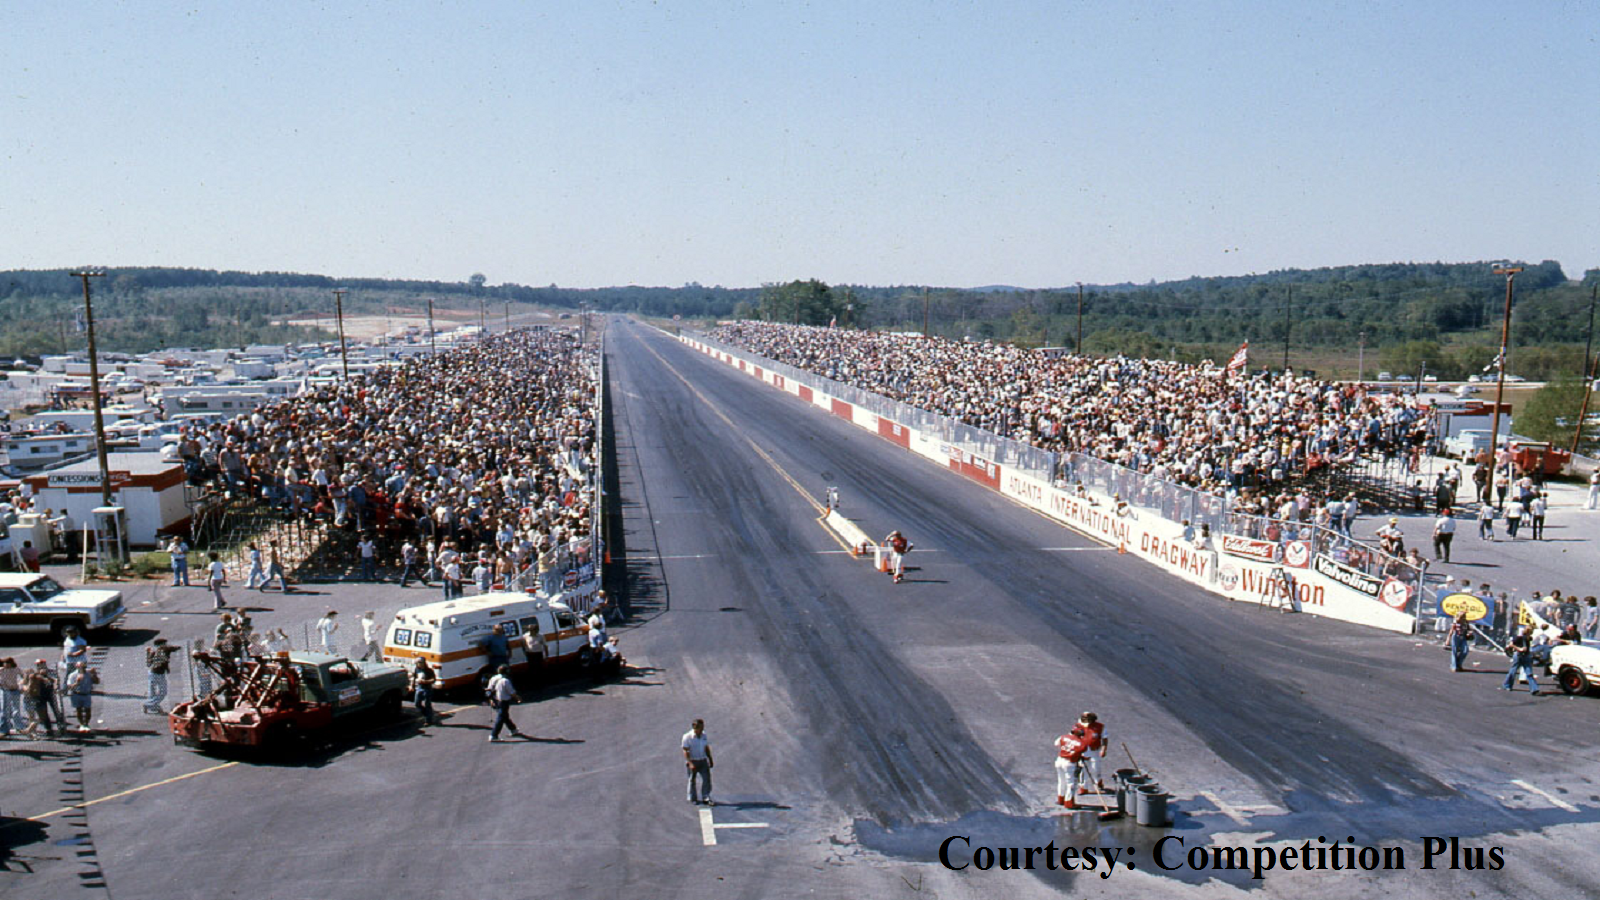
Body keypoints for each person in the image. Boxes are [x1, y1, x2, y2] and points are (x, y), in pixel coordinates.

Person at [1053, 723, 1089, 809]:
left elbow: (1056, 744)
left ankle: (1061, 799)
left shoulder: (1063, 737)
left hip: (1059, 760)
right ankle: (1069, 802)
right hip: (1070, 763)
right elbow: (1085, 755)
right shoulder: (1082, 744)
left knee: (1061, 781)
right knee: (1071, 783)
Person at [485, 665, 523, 741]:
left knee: (504, 716)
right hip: (504, 701)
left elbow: (489, 690)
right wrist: (518, 698)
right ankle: (494, 735)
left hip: (495, 700)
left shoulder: (493, 678)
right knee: (501, 717)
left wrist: (491, 700)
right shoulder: (505, 681)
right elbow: (511, 692)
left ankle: (513, 729)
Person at [23, 660, 60, 737]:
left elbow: (54, 680)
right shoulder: (35, 675)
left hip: (49, 693)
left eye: (41, 664)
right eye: (38, 665)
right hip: (40, 697)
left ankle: (60, 726)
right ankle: (48, 729)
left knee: (56, 710)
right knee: (43, 715)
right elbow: (28, 687)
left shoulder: (50, 672)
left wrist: (54, 684)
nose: (39, 666)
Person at [1501, 625, 1541, 695]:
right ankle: (1507, 685)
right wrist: (1519, 648)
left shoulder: (1529, 638)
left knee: (1529, 673)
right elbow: (1511, 644)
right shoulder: (1519, 638)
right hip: (1519, 655)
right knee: (1513, 671)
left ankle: (1534, 689)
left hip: (1526, 656)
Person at [682, 718, 714, 805]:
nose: (702, 729)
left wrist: (710, 759)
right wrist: (690, 763)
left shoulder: (704, 735)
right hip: (693, 761)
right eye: (700, 727)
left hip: (703, 760)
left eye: (702, 726)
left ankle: (706, 797)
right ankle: (693, 798)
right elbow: (685, 750)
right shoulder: (687, 737)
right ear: (694, 727)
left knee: (706, 779)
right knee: (692, 780)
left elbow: (706, 747)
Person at [1075, 712, 1108, 794]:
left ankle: (1098, 782)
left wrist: (1103, 750)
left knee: (1095, 769)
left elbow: (1104, 739)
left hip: (1094, 751)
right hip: (1083, 751)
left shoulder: (1100, 727)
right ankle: (1083, 787)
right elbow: (1074, 737)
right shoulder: (1078, 725)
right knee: (1083, 769)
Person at [144, 638, 179, 714]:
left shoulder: (154, 652)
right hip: (159, 674)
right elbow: (174, 649)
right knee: (163, 692)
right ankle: (148, 704)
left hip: (152, 673)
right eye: (164, 644)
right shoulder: (164, 650)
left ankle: (153, 707)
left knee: (153, 693)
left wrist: (148, 653)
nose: (166, 645)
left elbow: (148, 664)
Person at [65, 661, 96, 733]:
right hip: (76, 694)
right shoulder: (73, 675)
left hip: (86, 694)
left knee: (88, 710)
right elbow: (69, 687)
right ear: (77, 667)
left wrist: (94, 675)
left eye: (84, 667)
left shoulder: (88, 673)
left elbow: (97, 682)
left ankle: (86, 724)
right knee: (78, 710)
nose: (83, 669)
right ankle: (82, 724)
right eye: (81, 667)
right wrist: (77, 682)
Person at [411, 657, 440, 725]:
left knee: (427, 704)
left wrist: (425, 681)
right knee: (417, 703)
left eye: (419, 663)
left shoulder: (429, 670)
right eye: (417, 663)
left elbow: (433, 680)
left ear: (423, 663)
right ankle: (427, 714)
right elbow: (414, 677)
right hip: (419, 688)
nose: (418, 664)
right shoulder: (417, 669)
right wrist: (412, 686)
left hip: (427, 689)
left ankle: (428, 720)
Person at [0, 657, 23, 736]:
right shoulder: (1, 670)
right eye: (4, 663)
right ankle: (4, 728)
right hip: (5, 690)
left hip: (15, 690)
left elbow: (24, 676)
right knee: (4, 710)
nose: (5, 664)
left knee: (16, 710)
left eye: (7, 663)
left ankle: (19, 727)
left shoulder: (16, 669)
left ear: (11, 663)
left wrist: (20, 684)